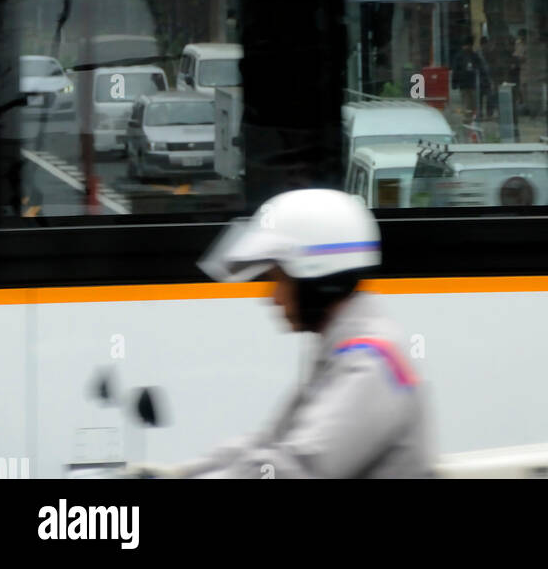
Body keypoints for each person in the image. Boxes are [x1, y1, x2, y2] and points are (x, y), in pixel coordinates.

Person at [127, 189, 433, 479]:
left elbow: (296, 467)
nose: (271, 297)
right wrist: (181, 473)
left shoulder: (370, 364)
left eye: (278, 280)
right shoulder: (340, 350)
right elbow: (266, 445)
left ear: (316, 277)